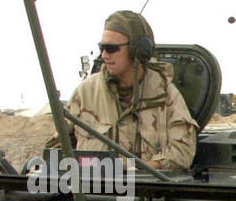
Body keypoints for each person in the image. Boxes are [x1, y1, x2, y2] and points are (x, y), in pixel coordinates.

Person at [56, 10, 197, 170]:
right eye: (102, 47)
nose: (103, 55)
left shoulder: (166, 96)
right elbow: (57, 149)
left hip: (146, 192)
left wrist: (135, 168)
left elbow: (182, 153)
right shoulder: (85, 94)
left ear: (137, 50)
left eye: (110, 48)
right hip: (95, 192)